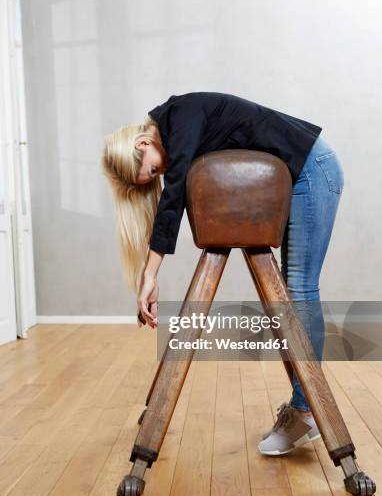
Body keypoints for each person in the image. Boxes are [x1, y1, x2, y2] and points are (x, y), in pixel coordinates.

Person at [101, 91, 344, 455]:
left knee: (301, 288)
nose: (160, 173)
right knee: (295, 289)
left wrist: (150, 274)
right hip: (303, 171)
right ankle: (302, 405)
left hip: (313, 168)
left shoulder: (180, 115)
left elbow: (176, 192)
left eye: (153, 169)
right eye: (153, 175)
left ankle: (306, 409)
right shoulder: (177, 122)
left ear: (143, 142)